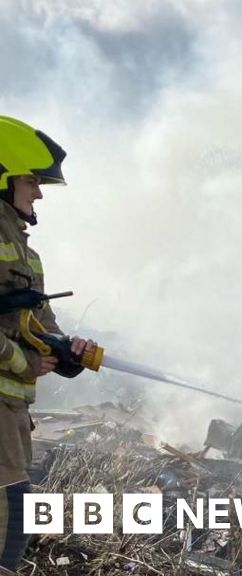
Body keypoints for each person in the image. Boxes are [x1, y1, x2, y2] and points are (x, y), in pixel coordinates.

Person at [0, 116, 95, 573]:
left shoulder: (27, 254)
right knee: (10, 518)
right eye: (31, 181)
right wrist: (22, 360)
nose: (38, 193)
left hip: (13, 414)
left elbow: (41, 325)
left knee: (15, 518)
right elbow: (21, 351)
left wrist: (65, 351)